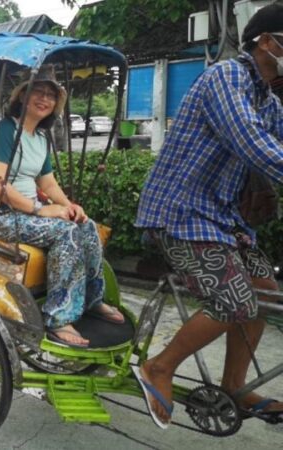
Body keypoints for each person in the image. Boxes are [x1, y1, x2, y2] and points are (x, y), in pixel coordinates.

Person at [134, 3, 283, 428]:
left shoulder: (267, 98)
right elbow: (254, 144)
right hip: (180, 213)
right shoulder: (227, 77)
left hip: (221, 219)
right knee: (233, 300)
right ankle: (158, 367)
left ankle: (234, 386)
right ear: (268, 42)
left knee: (265, 291)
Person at [0, 66, 123, 348]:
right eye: (38, 92)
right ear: (23, 96)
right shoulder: (4, 130)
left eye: (51, 95)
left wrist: (70, 206)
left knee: (86, 226)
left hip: (26, 213)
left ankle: (92, 300)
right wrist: (39, 209)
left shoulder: (41, 137)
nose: (44, 99)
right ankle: (58, 317)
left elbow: (48, 182)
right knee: (66, 232)